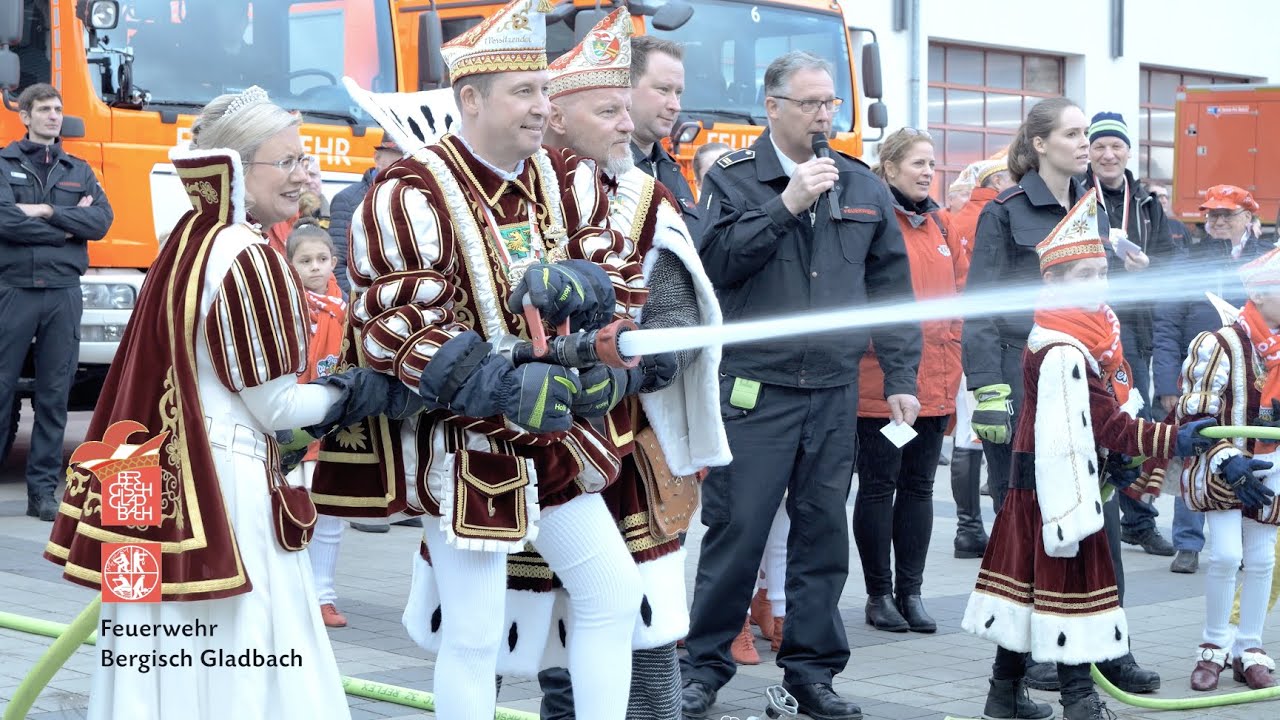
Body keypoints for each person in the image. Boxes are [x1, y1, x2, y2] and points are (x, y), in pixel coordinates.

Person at [311, 3, 647, 718]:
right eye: (524, 92)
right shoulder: (409, 188)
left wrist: (590, 295)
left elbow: (617, 277)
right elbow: (391, 323)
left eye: (544, 91)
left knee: (613, 593)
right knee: (473, 632)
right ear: (470, 98)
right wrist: (492, 382)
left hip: (555, 429)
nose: (542, 107)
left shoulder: (562, 173)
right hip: (463, 441)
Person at [44, 85, 404, 719]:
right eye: (288, 161)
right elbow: (275, 408)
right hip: (223, 488)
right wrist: (355, 391)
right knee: (248, 652)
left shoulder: (189, 237)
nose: (304, 174)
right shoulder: (244, 253)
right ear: (238, 166)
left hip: (166, 480)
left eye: (302, 160)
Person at [683, 50, 922, 720]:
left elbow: (890, 292)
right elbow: (718, 267)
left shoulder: (862, 185)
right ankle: (703, 668)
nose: (825, 117)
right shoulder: (733, 178)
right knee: (739, 530)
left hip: (832, 389)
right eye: (812, 104)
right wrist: (788, 203)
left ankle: (811, 674)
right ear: (774, 107)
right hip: (756, 387)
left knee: (821, 535)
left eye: (831, 105)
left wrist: (901, 376)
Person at [516, 12, 729, 718]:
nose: (625, 123)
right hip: (524, 444)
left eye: (620, 108)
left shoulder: (646, 200)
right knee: (537, 629)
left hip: (627, 446)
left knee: (643, 632)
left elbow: (676, 327)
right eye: (606, 109)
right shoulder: (506, 198)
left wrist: (626, 375)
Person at [960, 188, 1216, 720]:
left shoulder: (1082, 335)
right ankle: (1081, 700)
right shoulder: (1063, 347)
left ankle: (1002, 697)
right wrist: (1176, 439)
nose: (1097, 282)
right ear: (1051, 281)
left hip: (1040, 486)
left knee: (1028, 592)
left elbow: (1094, 423)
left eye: (1101, 271)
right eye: (1083, 276)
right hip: (1059, 491)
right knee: (1069, 591)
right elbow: (1106, 421)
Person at [962, 97, 1162, 695]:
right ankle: (1034, 659)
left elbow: (1100, 307)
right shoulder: (1004, 211)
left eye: (1086, 134)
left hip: (1087, 385)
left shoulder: (1092, 207)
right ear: (1040, 143)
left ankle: (1110, 647)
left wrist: (1122, 393)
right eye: (1073, 133)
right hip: (1026, 386)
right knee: (1034, 528)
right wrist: (988, 392)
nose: (1085, 143)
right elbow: (977, 307)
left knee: (1097, 517)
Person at [855, 127, 963, 634]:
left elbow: (960, 301)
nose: (927, 171)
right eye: (917, 163)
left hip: (936, 383)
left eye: (931, 164)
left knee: (920, 488)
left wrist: (953, 363)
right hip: (883, 386)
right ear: (890, 167)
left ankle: (911, 591)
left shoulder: (940, 225)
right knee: (879, 488)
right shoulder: (876, 221)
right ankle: (879, 594)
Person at [0, 83, 113, 521]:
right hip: (13, 289)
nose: (53, 116)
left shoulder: (79, 169)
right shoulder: (3, 163)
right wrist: (68, 226)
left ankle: (42, 493)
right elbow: (3, 220)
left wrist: (44, 212)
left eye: (57, 109)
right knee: (3, 388)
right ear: (25, 116)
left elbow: (100, 221)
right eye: (44, 109)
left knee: (53, 395)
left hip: (63, 293)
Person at [1153, 185, 1272, 574]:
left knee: (1249, 453)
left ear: (1249, 220)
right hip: (1199, 375)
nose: (1218, 222)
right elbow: (1167, 326)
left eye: (1228, 214)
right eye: (1212, 215)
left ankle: (1241, 539)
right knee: (1194, 451)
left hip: (1254, 378)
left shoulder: (1267, 261)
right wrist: (1168, 384)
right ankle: (1187, 543)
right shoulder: (1187, 262)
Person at [1176, 248, 1280, 691]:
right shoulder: (1218, 342)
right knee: (1224, 555)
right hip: (1226, 466)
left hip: (1274, 466)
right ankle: (1213, 648)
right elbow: (1193, 414)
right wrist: (1228, 459)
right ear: (1258, 290)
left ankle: (1248, 648)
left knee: (1261, 560)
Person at [1080, 111, 1181, 558]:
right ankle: (1087, 514)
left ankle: (1138, 519)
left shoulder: (1146, 203)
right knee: (1088, 419)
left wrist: (1148, 267)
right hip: (1084, 323)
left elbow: (1167, 263)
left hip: (1133, 330)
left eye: (1115, 146)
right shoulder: (1078, 192)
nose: (1107, 154)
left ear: (1127, 151)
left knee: (1134, 420)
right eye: (1099, 146)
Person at [283, 219, 351, 629]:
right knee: (290, 508)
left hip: (332, 423)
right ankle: (289, 593)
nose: (314, 267)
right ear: (289, 265)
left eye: (321, 259)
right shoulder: (281, 307)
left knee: (330, 512)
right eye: (305, 260)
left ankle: (322, 595)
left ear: (334, 262)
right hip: (291, 423)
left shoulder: (347, 309)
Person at [949, 156, 1012, 558]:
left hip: (958, 336)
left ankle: (967, 527)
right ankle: (1000, 527)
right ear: (999, 179)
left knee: (966, 437)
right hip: (995, 339)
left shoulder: (953, 220)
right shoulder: (1003, 215)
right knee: (991, 432)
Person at [629, 36, 698, 226]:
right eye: (663, 89)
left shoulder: (671, 170)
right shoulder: (605, 171)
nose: (676, 106)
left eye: (678, 93)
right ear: (626, 88)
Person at [328, 138, 403, 297]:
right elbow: (337, 263)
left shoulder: (414, 198)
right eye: (397, 160)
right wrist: (357, 305)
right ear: (377, 158)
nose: (403, 166)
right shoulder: (347, 200)